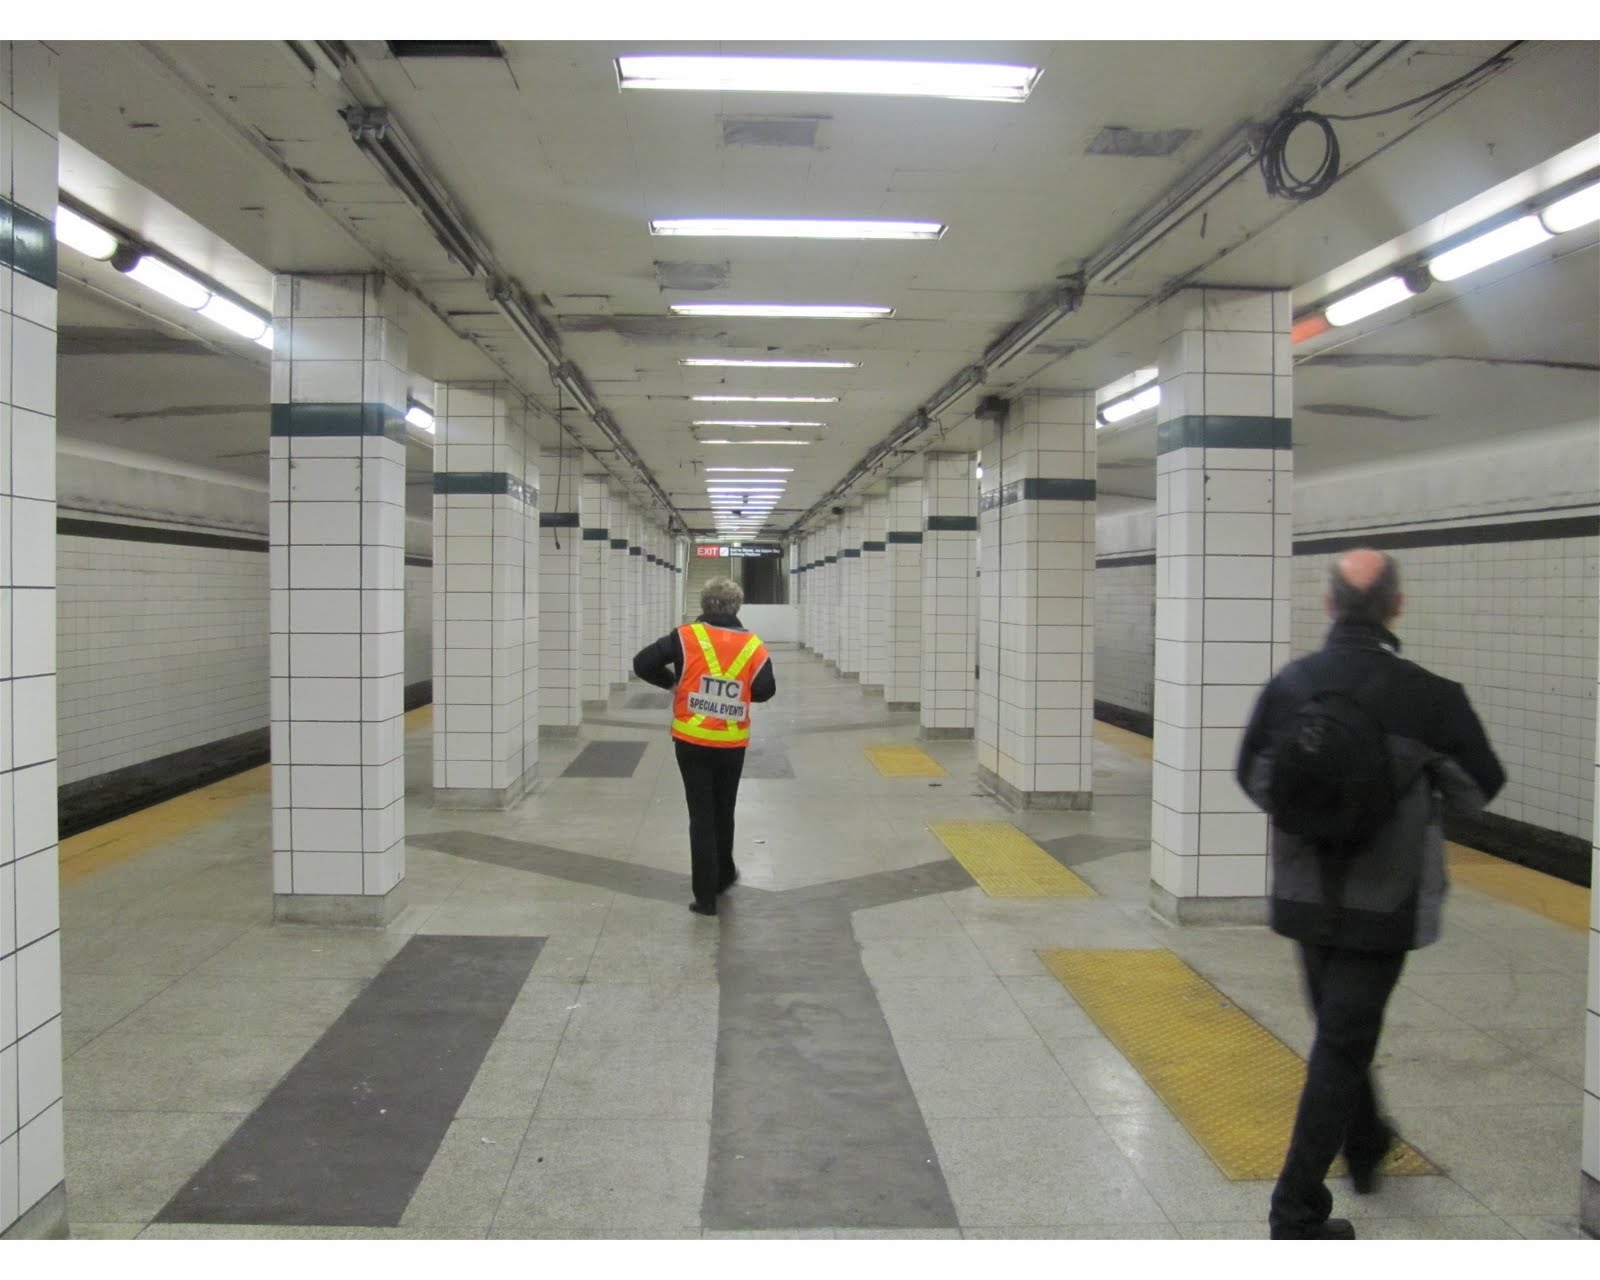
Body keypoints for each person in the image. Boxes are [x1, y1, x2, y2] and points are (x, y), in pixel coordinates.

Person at [1236, 548, 1504, 1240]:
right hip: (1385, 902)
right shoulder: (1431, 696)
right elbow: (1479, 790)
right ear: (1397, 606)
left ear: (1327, 606)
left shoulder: (1291, 685)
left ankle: (1365, 1144)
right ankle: (1294, 1212)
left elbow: (1253, 779)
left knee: (1341, 1034)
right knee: (1343, 1043)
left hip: (1302, 893)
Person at [633, 576, 776, 916]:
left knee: (701, 816)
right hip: (730, 743)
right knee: (723, 811)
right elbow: (766, 689)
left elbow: (643, 663)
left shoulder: (685, 636)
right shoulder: (753, 645)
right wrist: (738, 693)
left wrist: (673, 683)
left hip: (691, 741)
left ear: (704, 605)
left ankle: (705, 897)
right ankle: (724, 875)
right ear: (736, 607)